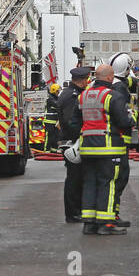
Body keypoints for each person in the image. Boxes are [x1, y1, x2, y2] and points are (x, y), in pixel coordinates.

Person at [79, 64, 133, 236]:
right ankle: (106, 223)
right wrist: (133, 118)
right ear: (110, 78)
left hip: (87, 148)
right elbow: (124, 121)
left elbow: (74, 121)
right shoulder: (112, 96)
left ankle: (89, 223)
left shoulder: (83, 96)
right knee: (108, 184)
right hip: (108, 148)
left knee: (89, 183)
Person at [109, 53, 139, 228]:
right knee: (119, 178)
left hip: (104, 141)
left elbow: (129, 81)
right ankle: (113, 213)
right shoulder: (120, 89)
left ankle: (106, 214)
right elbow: (123, 116)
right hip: (119, 140)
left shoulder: (111, 83)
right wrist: (133, 118)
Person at [56, 65, 91, 223]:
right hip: (73, 142)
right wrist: (79, 139)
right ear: (83, 81)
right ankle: (73, 213)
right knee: (74, 179)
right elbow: (72, 122)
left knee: (77, 178)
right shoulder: (72, 96)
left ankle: (76, 211)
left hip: (72, 141)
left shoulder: (69, 93)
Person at [44, 82, 62, 152]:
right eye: (58, 91)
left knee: (56, 136)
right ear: (54, 91)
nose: (59, 92)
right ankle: (46, 150)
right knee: (49, 136)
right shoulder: (50, 99)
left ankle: (54, 149)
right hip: (49, 121)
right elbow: (57, 105)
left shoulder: (56, 98)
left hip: (56, 122)